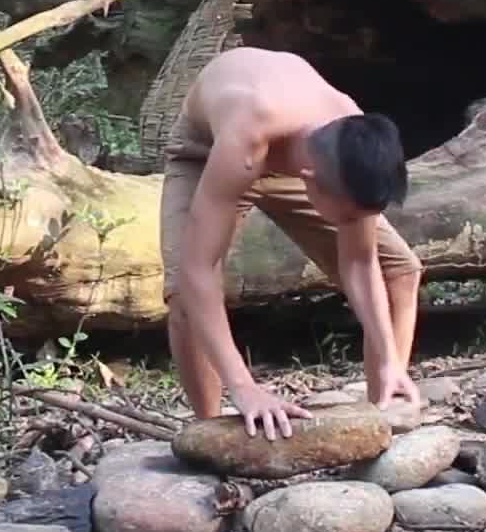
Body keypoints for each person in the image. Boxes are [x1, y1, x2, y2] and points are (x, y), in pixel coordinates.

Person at [159, 46, 425, 440]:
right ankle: (211, 434)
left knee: (396, 271)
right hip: (210, 151)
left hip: (291, 149)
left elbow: (360, 261)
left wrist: (389, 358)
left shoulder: (347, 126)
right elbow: (200, 268)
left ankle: (383, 415)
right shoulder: (249, 127)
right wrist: (245, 387)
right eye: (350, 216)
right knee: (186, 295)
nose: (354, 225)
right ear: (310, 179)